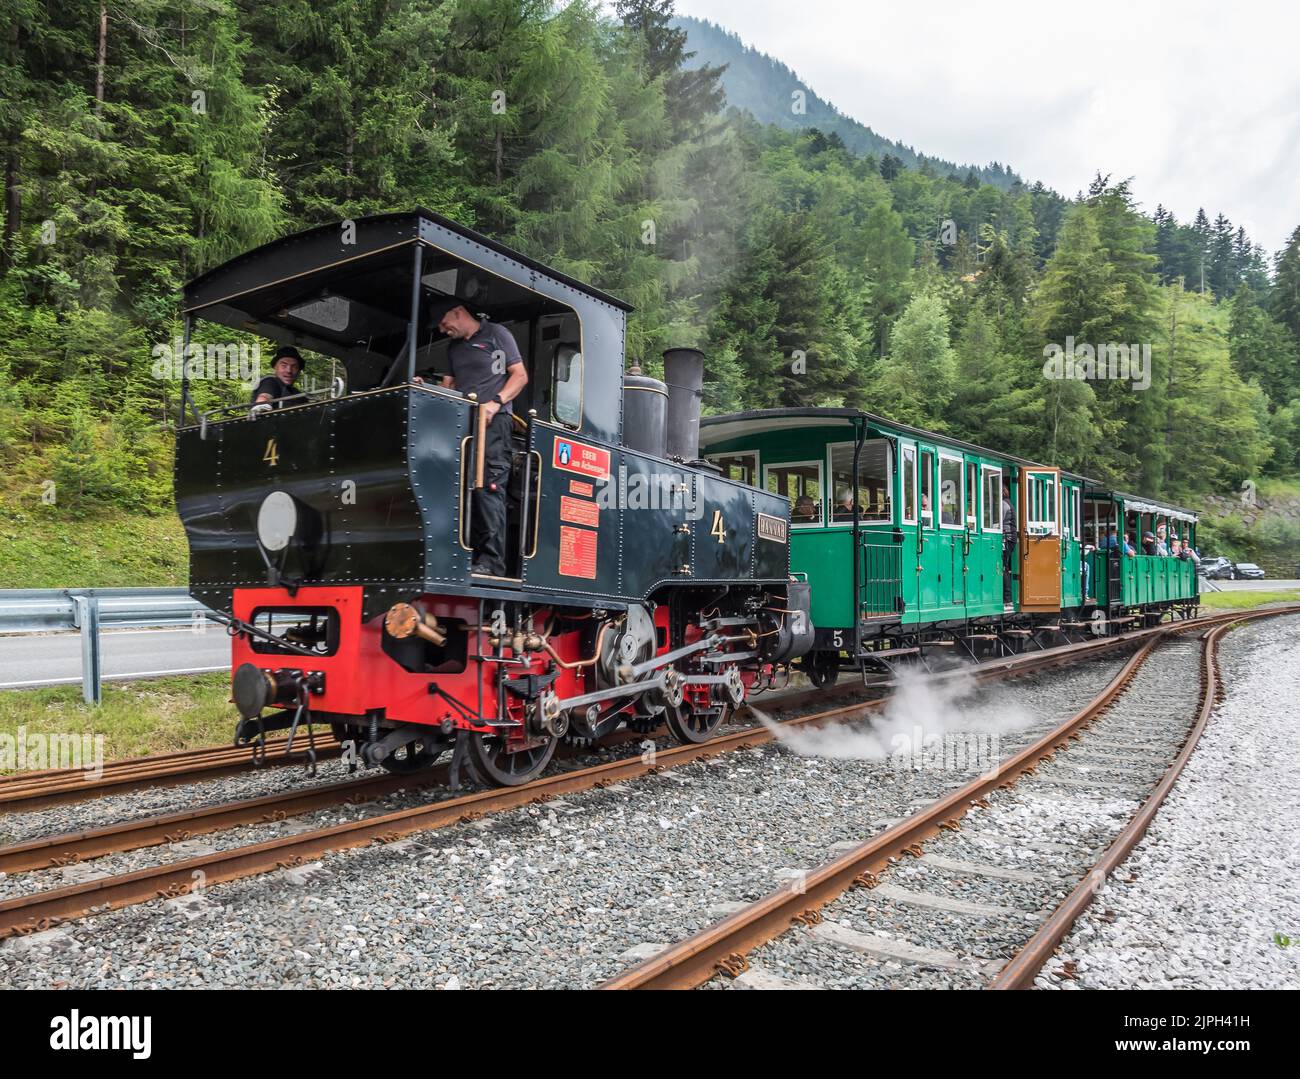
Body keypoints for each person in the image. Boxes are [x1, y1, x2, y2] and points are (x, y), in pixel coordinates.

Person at [422, 300, 529, 577]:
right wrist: (426, 387)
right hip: (462, 423)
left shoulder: (497, 334)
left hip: (494, 422)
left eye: (445, 324)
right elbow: (449, 388)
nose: (444, 331)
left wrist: (496, 402)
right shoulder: (453, 348)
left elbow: (520, 376)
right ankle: (460, 553)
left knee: (488, 486)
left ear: (457, 312)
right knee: (459, 487)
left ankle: (493, 561)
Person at [1001, 494, 1016, 607]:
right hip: (1009, 538)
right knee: (1004, 566)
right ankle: (1007, 598)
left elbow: (997, 520)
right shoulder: (1008, 502)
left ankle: (1007, 598)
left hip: (1007, 538)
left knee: (1003, 566)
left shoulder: (1003, 504)